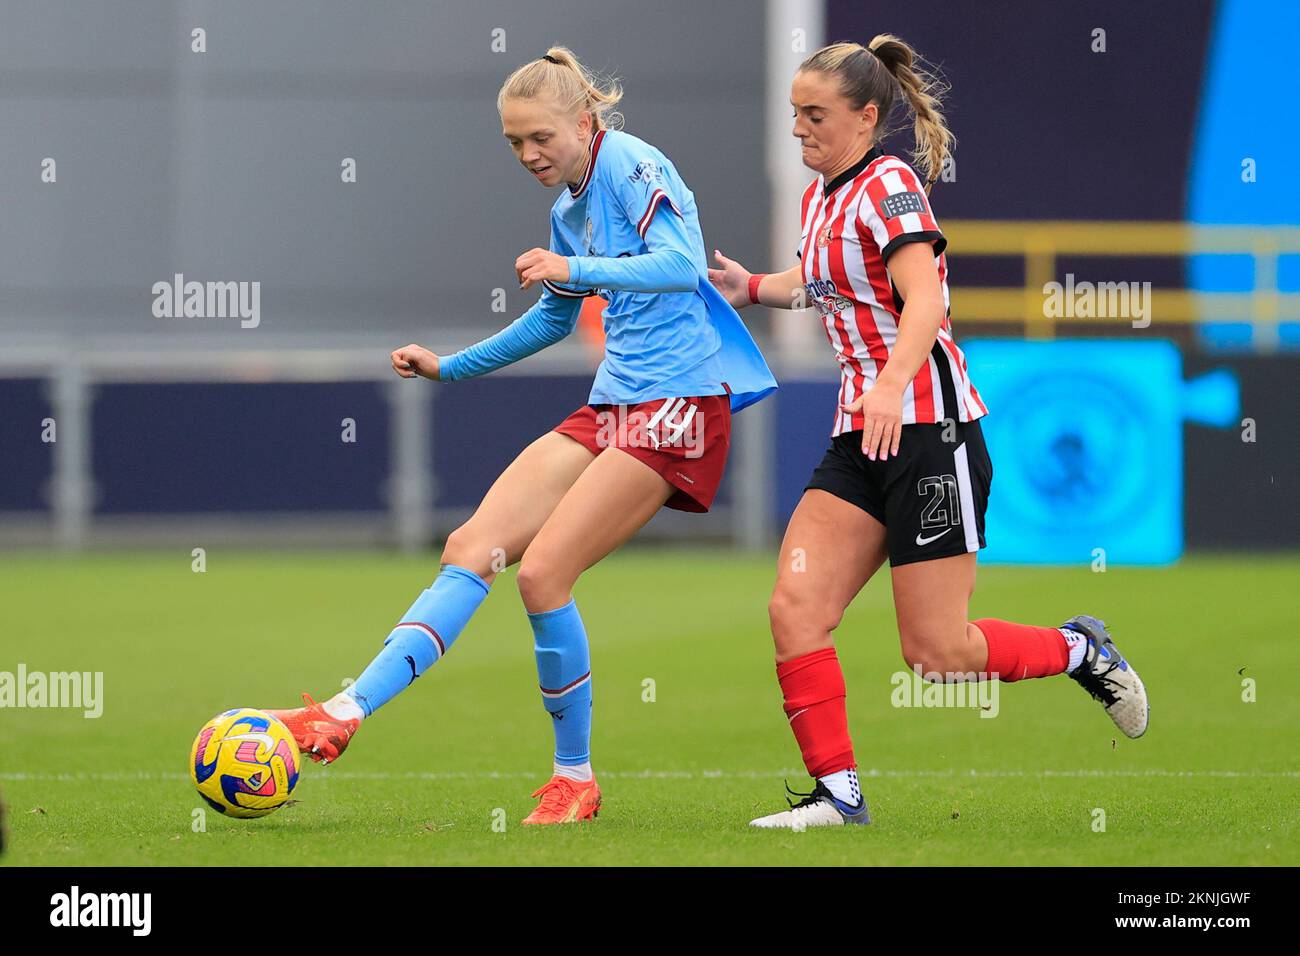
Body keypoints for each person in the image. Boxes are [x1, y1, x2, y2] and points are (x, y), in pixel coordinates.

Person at [268, 47, 775, 825]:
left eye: (539, 137)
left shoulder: (633, 164)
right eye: (513, 143)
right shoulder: (569, 206)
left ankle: (575, 779)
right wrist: (451, 368)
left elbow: (679, 266)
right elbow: (554, 315)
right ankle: (345, 710)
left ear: (584, 121)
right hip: (614, 403)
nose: (528, 155)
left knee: (542, 577)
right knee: (472, 548)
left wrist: (575, 264)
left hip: (678, 403)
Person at [708, 35, 1148, 830]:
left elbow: (926, 303)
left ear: (867, 115)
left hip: (929, 434)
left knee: (937, 655)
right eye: (794, 114)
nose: (799, 129)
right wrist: (754, 288)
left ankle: (1082, 649)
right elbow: (826, 281)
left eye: (815, 115)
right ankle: (839, 797)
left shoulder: (891, 184)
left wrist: (886, 383)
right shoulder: (820, 197)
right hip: (862, 437)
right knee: (794, 610)